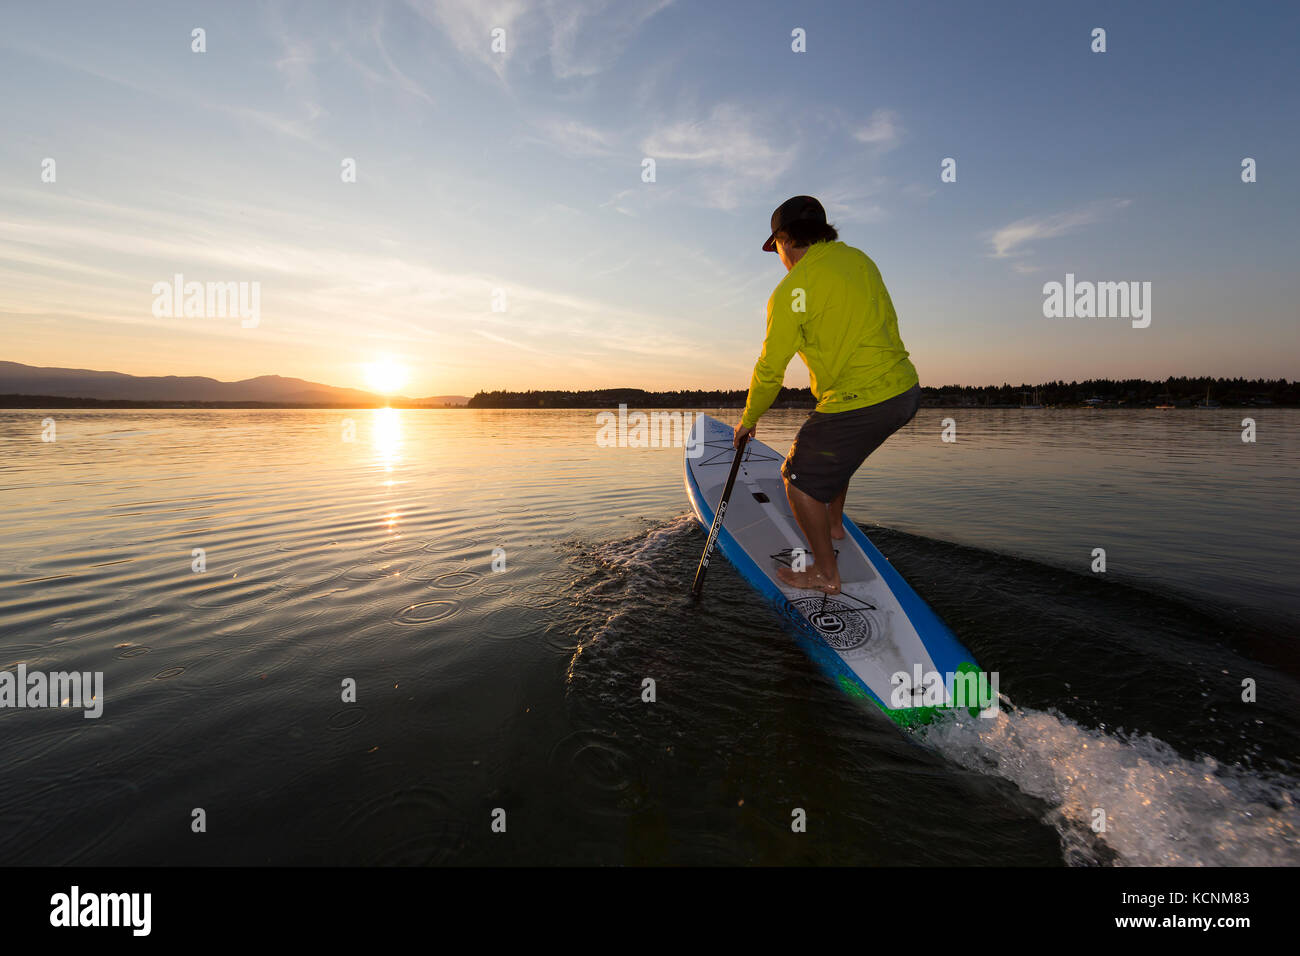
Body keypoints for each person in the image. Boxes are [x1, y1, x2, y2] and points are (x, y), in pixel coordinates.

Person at [734, 195, 921, 595]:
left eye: (777, 248)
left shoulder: (790, 291)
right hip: (904, 390)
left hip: (861, 398)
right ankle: (834, 524)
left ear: (784, 240)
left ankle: (825, 574)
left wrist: (749, 420)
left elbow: (770, 369)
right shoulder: (859, 260)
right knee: (836, 454)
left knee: (797, 479)